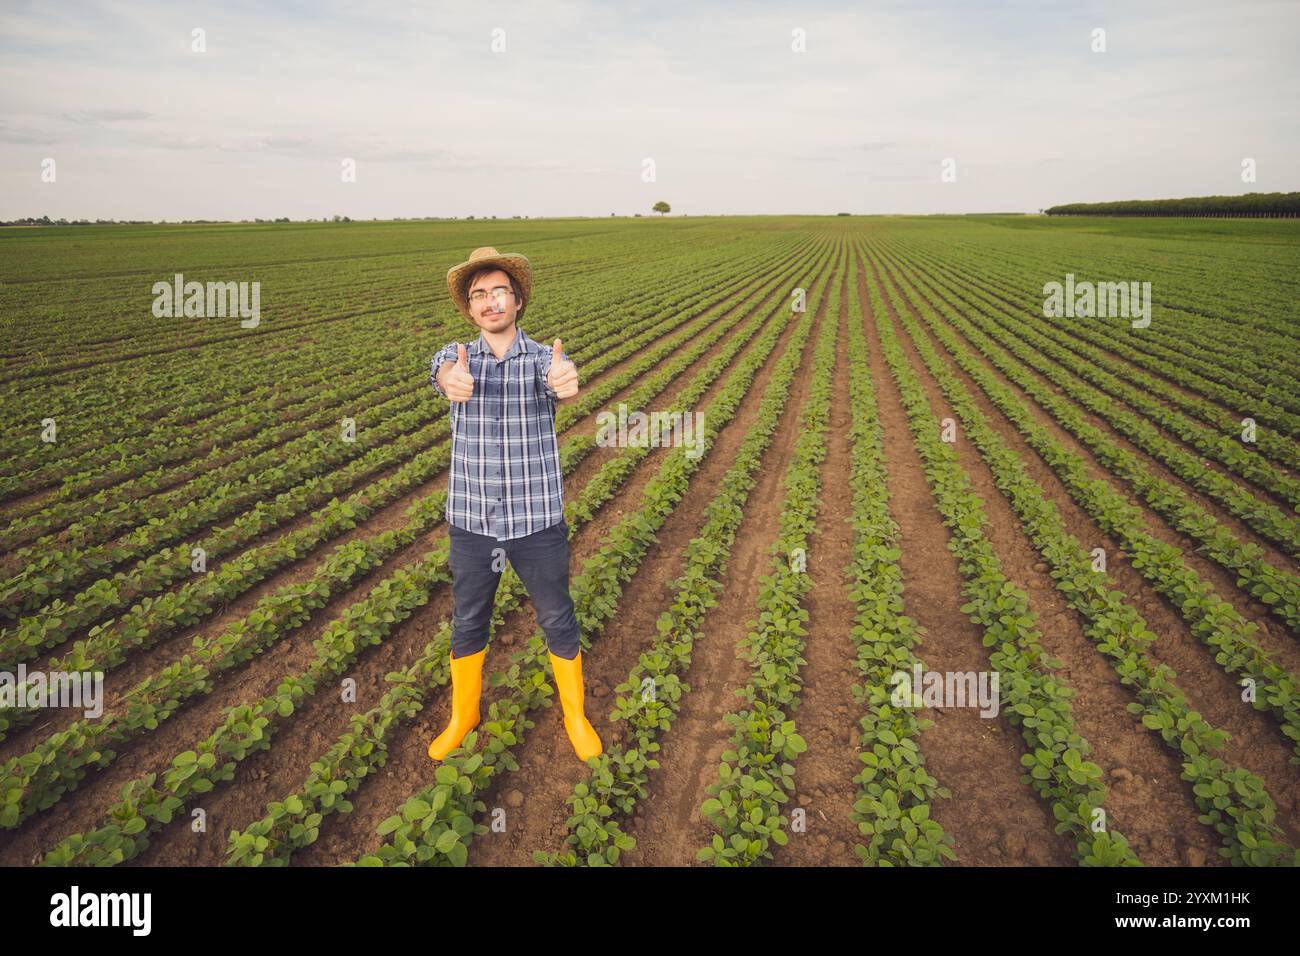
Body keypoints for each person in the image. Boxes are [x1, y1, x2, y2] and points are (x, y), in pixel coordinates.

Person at [426, 246, 602, 764]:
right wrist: (448, 381)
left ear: (518, 299)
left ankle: (575, 714)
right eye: (478, 294)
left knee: (556, 615)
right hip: (473, 518)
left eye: (498, 290)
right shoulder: (453, 358)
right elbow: (441, 374)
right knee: (468, 619)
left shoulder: (547, 361)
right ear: (471, 308)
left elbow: (564, 382)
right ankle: (464, 715)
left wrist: (564, 384)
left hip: (536, 517)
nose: (489, 300)